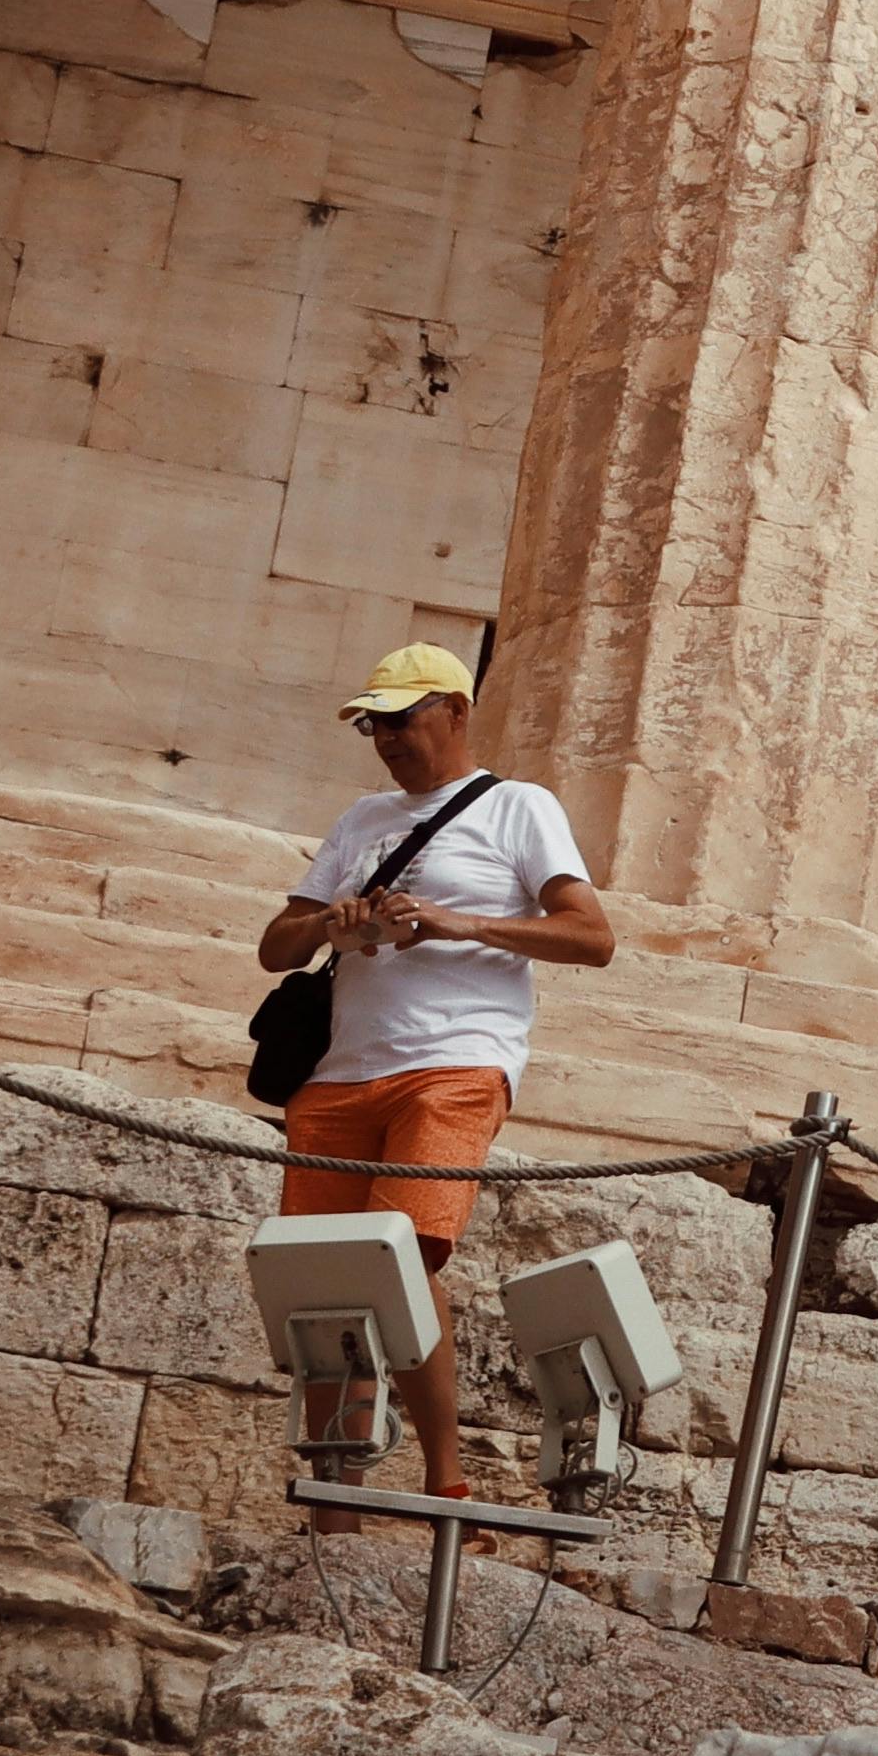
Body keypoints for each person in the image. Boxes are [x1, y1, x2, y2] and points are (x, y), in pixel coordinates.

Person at [250, 643, 623, 1505]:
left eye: (403, 718)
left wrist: (456, 923)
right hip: (339, 1074)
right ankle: (334, 1503)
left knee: (403, 1264)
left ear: (455, 711)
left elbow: (592, 938)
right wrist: (330, 928)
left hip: (457, 1061)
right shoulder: (361, 819)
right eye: (374, 722)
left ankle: (444, 1477)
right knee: (327, 1292)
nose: (386, 737)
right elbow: (276, 944)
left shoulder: (519, 807)